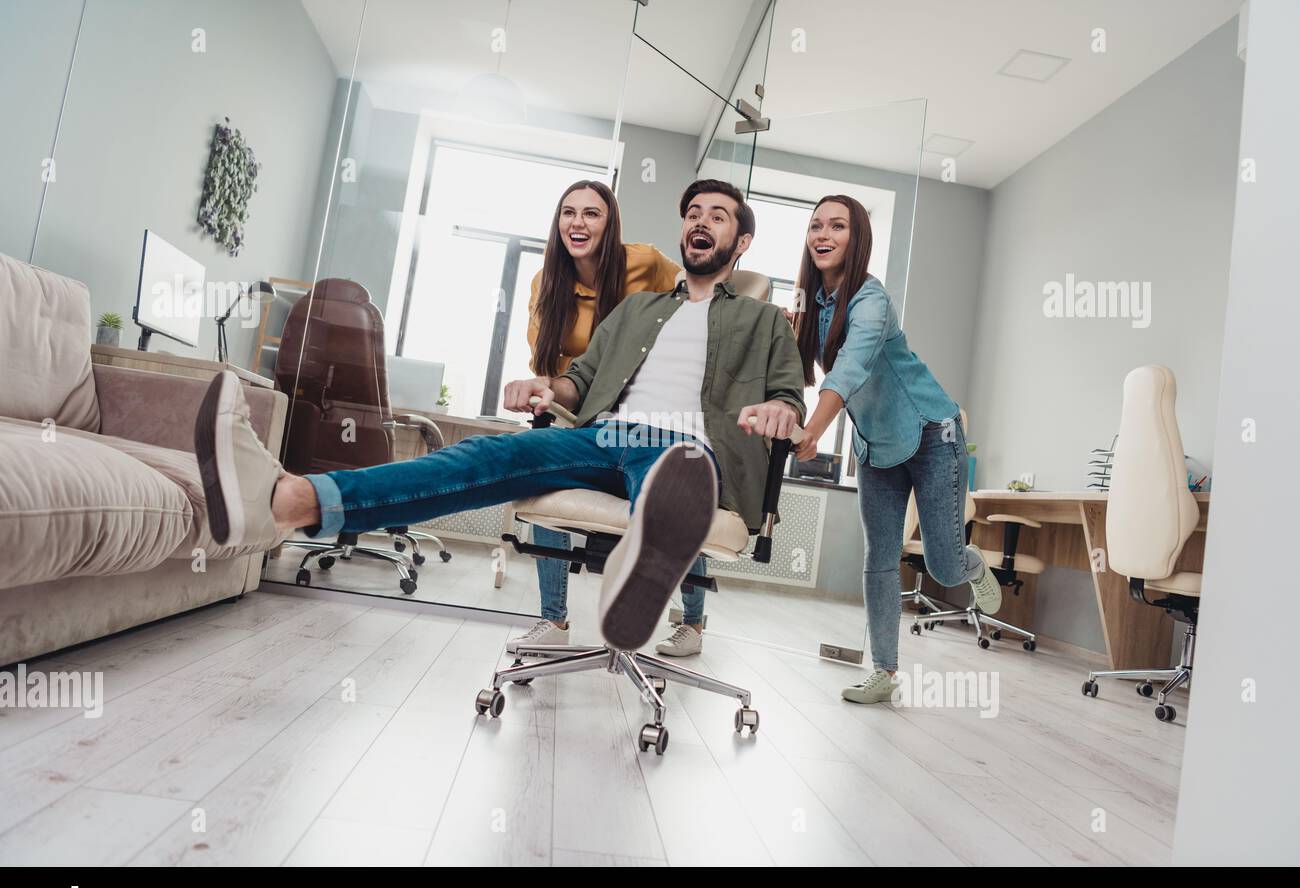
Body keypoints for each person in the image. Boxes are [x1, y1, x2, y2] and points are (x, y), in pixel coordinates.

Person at [194, 179, 804, 655]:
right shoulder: (639, 309)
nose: (700, 223)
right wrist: (545, 387)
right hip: (602, 437)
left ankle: (645, 566)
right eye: (693, 214)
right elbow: (580, 381)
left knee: (674, 483)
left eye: (717, 216)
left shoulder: (764, 320)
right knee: (483, 456)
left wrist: (779, 410)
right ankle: (294, 502)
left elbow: (789, 397)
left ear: (741, 242)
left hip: (687, 448)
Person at [789, 195, 1002, 704]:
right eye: (816, 225)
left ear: (857, 236)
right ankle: (885, 672)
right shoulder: (809, 301)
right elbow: (792, 368)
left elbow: (849, 369)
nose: (823, 234)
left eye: (837, 226)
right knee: (880, 559)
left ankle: (972, 565)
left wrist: (814, 431)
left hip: (933, 435)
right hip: (876, 446)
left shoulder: (871, 300)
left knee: (942, 566)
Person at [520, 179, 710, 658]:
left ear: (610, 224)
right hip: (581, 411)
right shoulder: (546, 282)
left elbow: (699, 292)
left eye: (591, 214)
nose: (577, 223)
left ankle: (692, 622)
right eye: (568, 213)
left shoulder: (644, 262)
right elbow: (548, 367)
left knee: (684, 482)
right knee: (546, 472)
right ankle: (553, 617)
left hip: (647, 409)